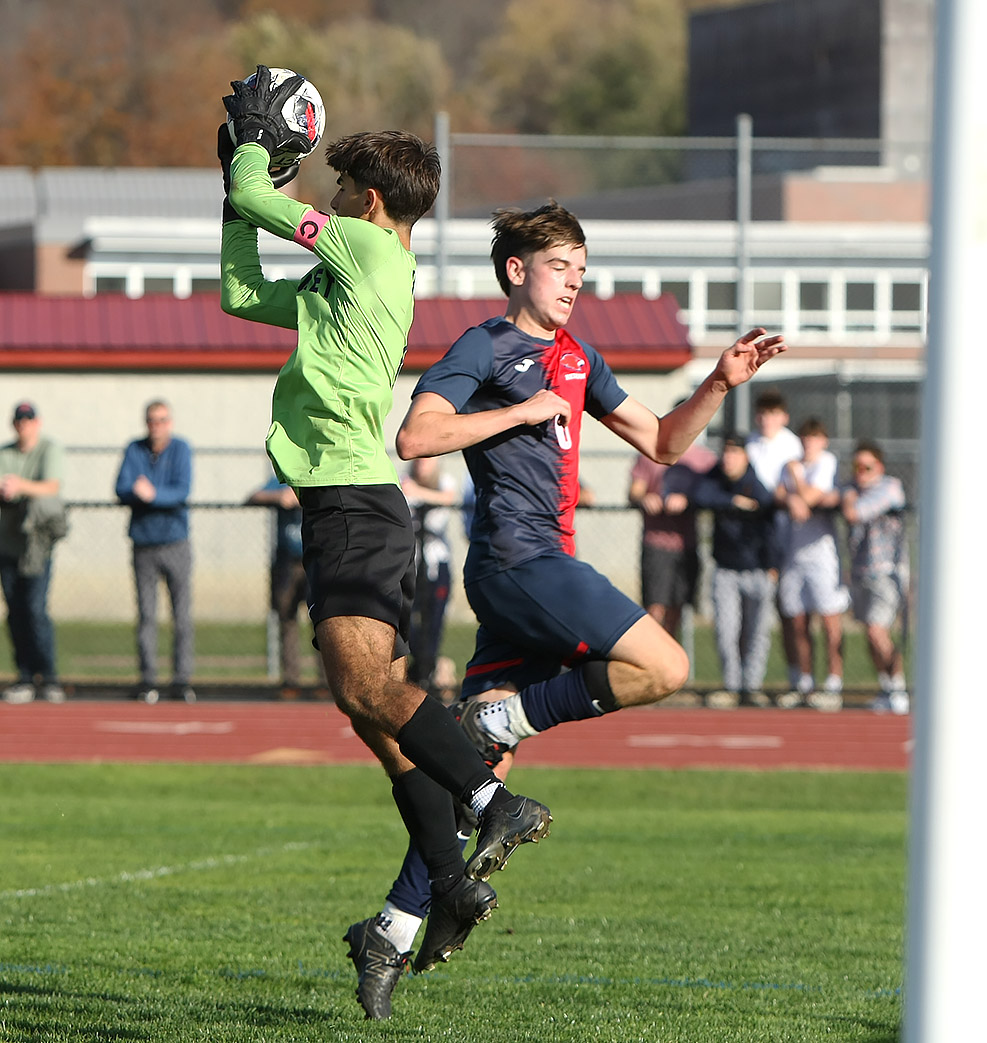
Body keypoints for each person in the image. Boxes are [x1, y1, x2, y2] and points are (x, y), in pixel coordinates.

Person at [358, 200, 785, 1014]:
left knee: (474, 780)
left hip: (538, 566)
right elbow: (415, 438)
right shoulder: (484, 346)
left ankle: (393, 926)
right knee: (665, 665)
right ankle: (497, 723)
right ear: (517, 270)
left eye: (582, 274)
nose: (573, 286)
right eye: (561, 269)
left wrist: (718, 384)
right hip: (517, 561)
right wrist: (518, 411)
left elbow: (661, 443)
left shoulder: (580, 354)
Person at [218, 66, 553, 1021]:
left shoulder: (366, 248)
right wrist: (240, 194)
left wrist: (249, 151)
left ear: (368, 203)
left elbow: (252, 189)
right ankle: (443, 886)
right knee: (373, 719)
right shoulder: (348, 272)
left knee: (368, 691)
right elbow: (245, 292)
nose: (317, 201)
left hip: (356, 500)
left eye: (330, 192)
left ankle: (488, 803)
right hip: (347, 503)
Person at [114, 399, 195, 705]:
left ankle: (181, 680)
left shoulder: (181, 449)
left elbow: (182, 491)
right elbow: (122, 487)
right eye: (151, 420)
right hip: (143, 544)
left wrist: (153, 495)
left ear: (169, 422)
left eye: (162, 420)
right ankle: (148, 680)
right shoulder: (134, 449)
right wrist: (139, 493)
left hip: (176, 542)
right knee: (147, 616)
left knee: (182, 617)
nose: (156, 426)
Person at [690, 434, 777, 708]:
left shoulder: (755, 482)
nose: (729, 459)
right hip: (725, 570)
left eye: (734, 453)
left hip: (758, 571)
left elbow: (770, 512)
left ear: (745, 457)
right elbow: (700, 495)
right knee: (726, 632)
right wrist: (732, 502)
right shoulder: (716, 477)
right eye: (726, 453)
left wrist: (773, 565)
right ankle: (732, 685)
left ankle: (751, 688)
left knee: (756, 633)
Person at [773, 418, 848, 711]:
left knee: (830, 621)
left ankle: (833, 683)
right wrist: (792, 496)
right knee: (797, 621)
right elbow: (779, 495)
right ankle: (803, 682)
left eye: (814, 438)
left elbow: (811, 495)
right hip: (794, 554)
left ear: (823, 441)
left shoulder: (825, 463)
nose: (808, 444)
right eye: (805, 438)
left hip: (822, 556)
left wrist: (796, 482)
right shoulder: (790, 464)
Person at [0, 402, 67, 705]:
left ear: (37, 423)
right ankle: (25, 675)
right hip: (7, 546)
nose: (24, 425)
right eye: (19, 420)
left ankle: (48, 674)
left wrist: (21, 486)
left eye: (28, 420)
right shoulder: (5, 454)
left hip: (36, 549)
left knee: (35, 610)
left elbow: (51, 486)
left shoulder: (49, 449)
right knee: (15, 613)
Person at [627, 412, 716, 639]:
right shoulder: (651, 452)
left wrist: (689, 500)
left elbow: (714, 492)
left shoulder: (704, 459)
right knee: (655, 609)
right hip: (657, 543)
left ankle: (670, 667)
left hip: (687, 543)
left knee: (677, 609)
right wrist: (645, 498)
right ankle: (652, 664)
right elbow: (635, 491)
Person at [839, 440, 909, 714]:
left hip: (886, 573)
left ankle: (898, 687)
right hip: (860, 571)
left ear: (878, 467)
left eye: (867, 467)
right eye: (856, 467)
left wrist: (847, 497)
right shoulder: (852, 488)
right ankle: (886, 687)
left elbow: (853, 512)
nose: (861, 473)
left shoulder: (889, 488)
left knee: (876, 630)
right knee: (870, 634)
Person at [745, 389, 803, 702]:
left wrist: (779, 498)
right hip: (754, 529)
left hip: (784, 529)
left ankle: (798, 678)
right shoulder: (750, 444)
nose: (767, 420)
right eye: (762, 413)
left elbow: (791, 488)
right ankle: (747, 682)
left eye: (773, 413)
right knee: (754, 611)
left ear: (783, 417)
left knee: (790, 610)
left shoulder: (791, 444)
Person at [246, 474, 323, 699]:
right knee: (287, 620)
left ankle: (326, 681)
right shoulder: (282, 478)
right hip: (287, 564)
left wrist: (303, 498)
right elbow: (253, 497)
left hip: (315, 561)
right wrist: (280, 497)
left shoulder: (319, 476)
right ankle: (291, 680)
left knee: (321, 621)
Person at [401, 456, 457, 695]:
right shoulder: (404, 482)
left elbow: (449, 499)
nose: (421, 463)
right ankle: (418, 664)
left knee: (434, 618)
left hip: (436, 561)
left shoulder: (444, 481)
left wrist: (419, 493)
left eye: (426, 459)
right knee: (407, 616)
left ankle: (429, 667)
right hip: (411, 562)